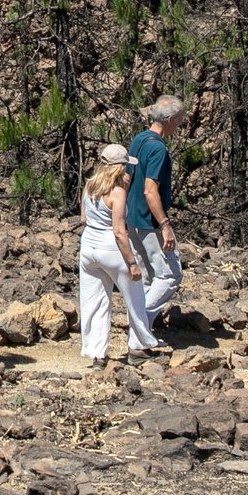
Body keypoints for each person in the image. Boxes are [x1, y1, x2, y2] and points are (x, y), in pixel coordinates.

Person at [78, 143, 160, 368]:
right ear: (119, 167)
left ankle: (98, 355)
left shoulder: (89, 187)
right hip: (110, 248)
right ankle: (138, 347)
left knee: (94, 301)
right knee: (135, 298)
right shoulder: (117, 192)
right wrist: (132, 263)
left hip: (88, 248)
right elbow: (119, 232)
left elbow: (84, 219)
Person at [125, 96, 186, 324]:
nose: (180, 125)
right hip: (149, 222)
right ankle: (139, 323)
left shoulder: (138, 140)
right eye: (179, 120)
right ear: (169, 119)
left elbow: (127, 178)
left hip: (132, 218)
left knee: (146, 277)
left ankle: (143, 331)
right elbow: (150, 190)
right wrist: (165, 224)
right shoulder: (158, 149)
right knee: (170, 275)